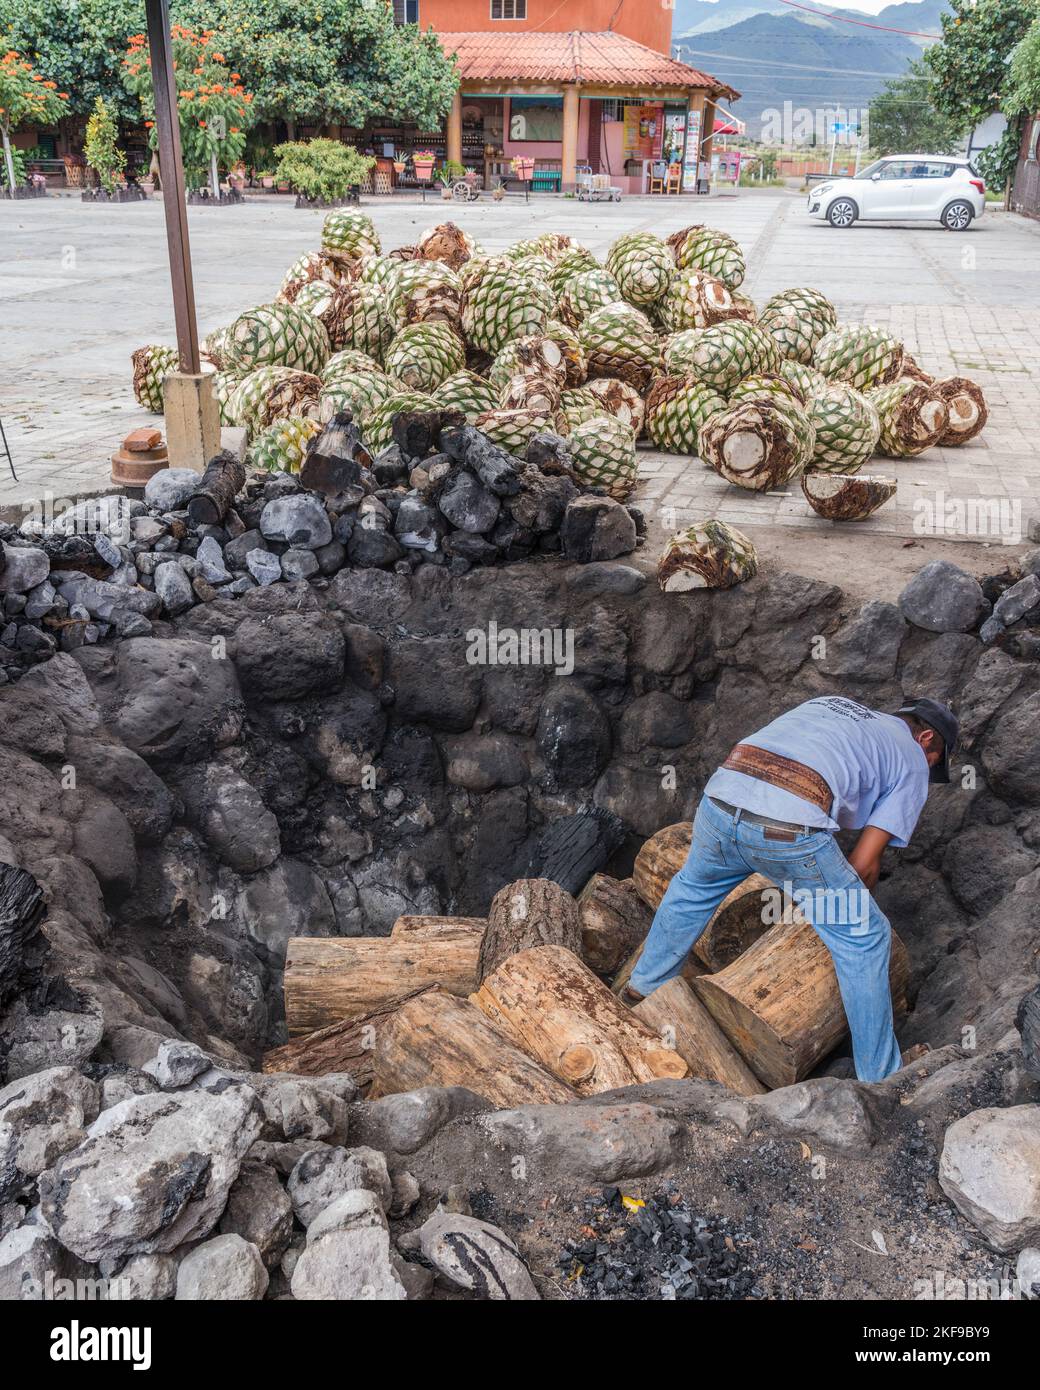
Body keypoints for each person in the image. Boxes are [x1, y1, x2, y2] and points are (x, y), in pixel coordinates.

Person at [626, 695, 958, 1083]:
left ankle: (640, 992)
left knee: (693, 889)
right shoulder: (912, 756)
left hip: (720, 800)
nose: (930, 770)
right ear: (926, 738)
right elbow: (865, 862)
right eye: (937, 760)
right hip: (786, 827)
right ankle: (882, 1079)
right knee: (864, 938)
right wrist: (841, 910)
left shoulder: (832, 703)